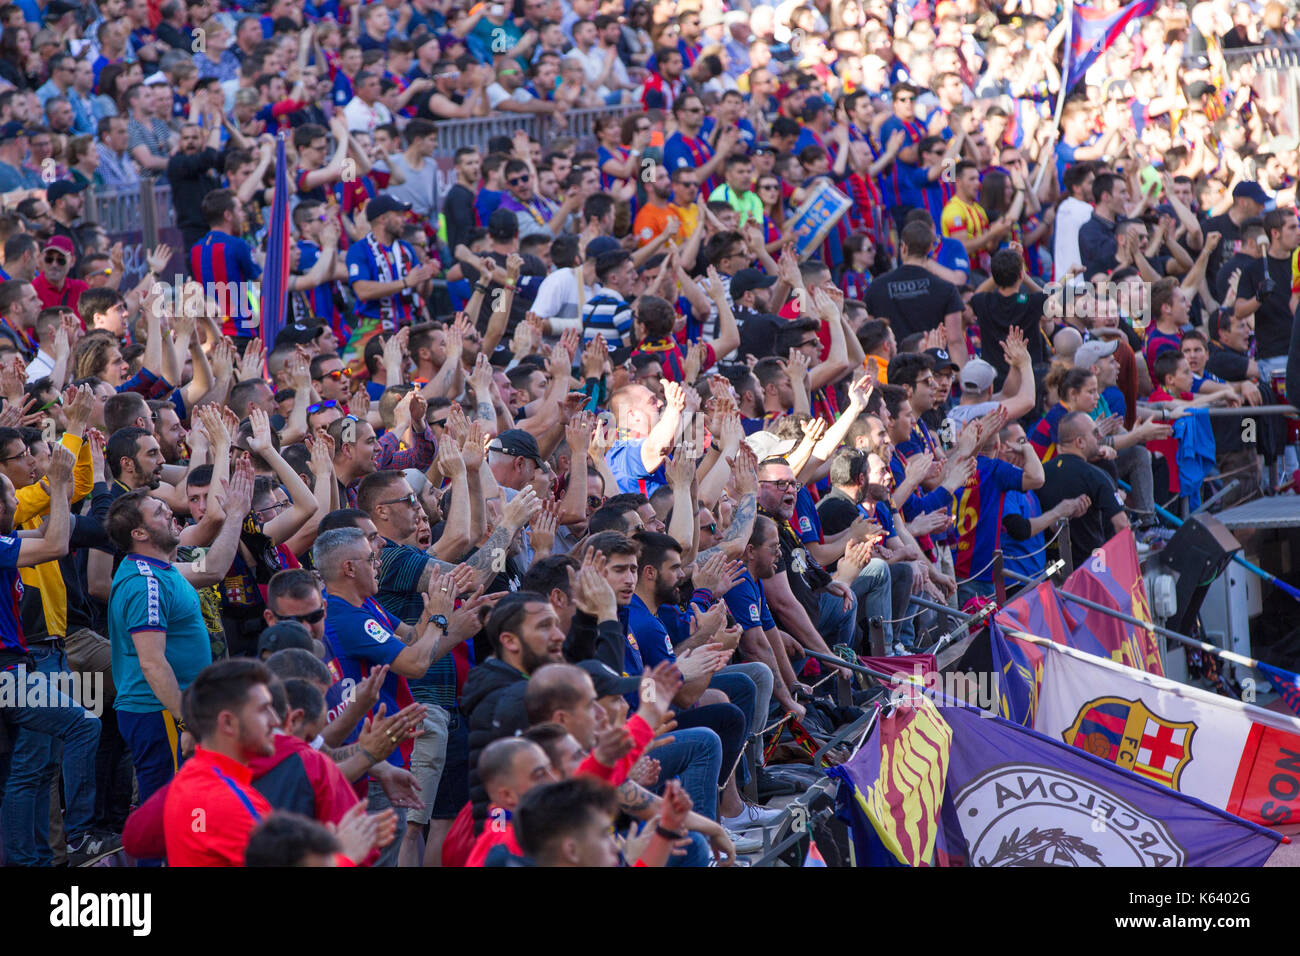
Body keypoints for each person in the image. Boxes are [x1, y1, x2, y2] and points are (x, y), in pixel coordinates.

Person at [1035, 411, 1130, 568]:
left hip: (1051, 569)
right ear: (1080, 442)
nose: (1099, 438)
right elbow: (1121, 525)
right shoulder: (1096, 475)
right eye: (1094, 433)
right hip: (1089, 570)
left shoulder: (1040, 475)